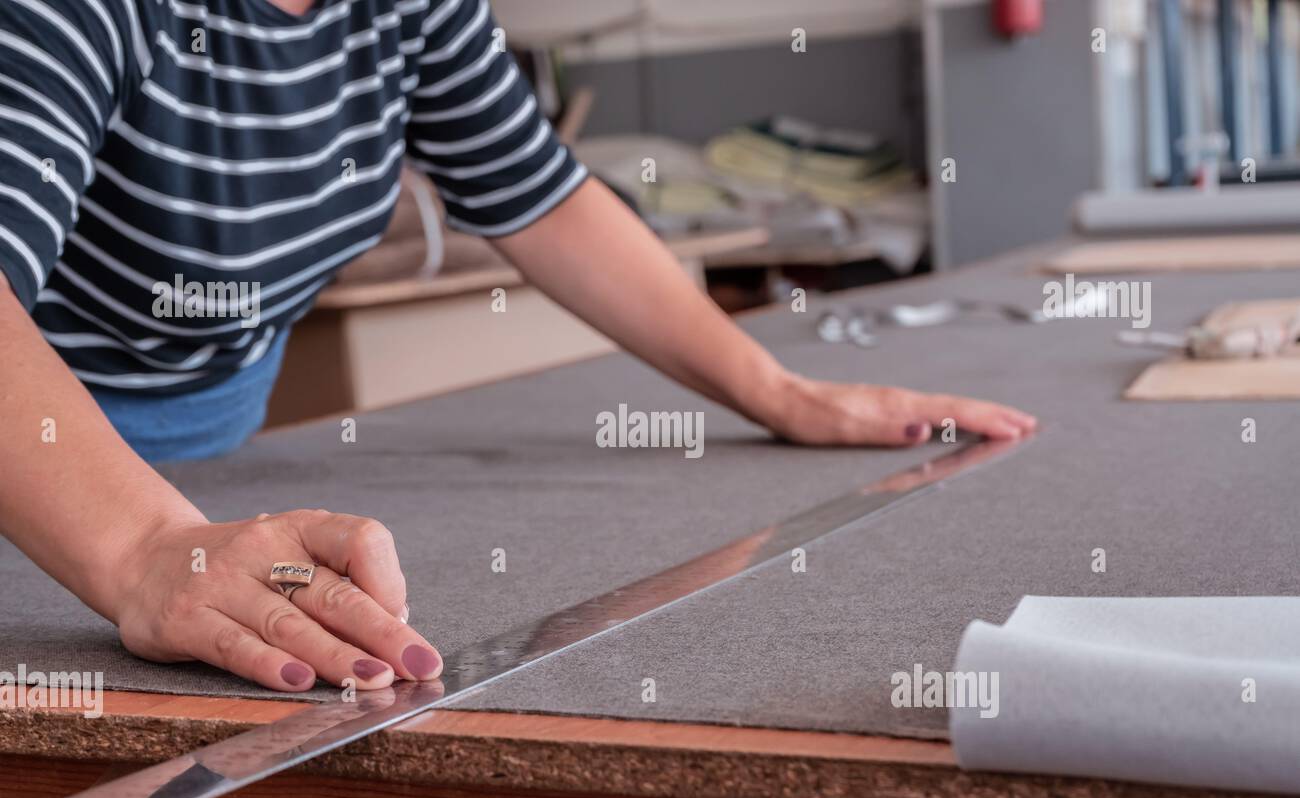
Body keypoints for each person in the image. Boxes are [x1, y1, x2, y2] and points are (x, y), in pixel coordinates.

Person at [0, 0, 1036, 693]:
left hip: (215, 458)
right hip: (46, 484)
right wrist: (141, 549)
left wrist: (779, 391)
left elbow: (540, 198)